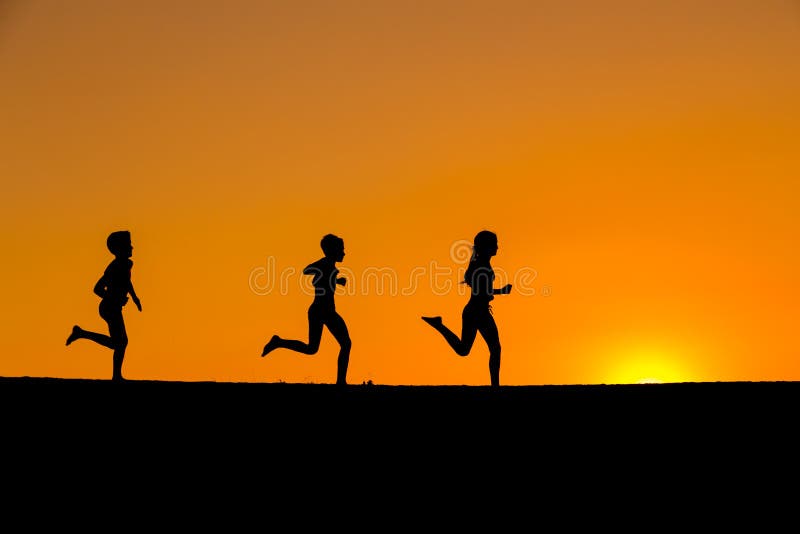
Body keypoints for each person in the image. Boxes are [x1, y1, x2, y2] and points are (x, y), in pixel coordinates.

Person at [422, 230, 511, 387]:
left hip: (476, 311)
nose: (498, 247)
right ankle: (495, 387)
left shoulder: (482, 263)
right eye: (494, 244)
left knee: (468, 350)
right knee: (493, 349)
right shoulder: (481, 265)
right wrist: (501, 291)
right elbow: (481, 291)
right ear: (486, 247)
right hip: (477, 312)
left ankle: (439, 325)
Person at [261, 234, 351, 385]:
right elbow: (307, 270)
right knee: (345, 344)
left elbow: (322, 279)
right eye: (341, 249)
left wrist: (335, 280)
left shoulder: (329, 266)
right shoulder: (325, 263)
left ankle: (279, 342)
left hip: (323, 311)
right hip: (322, 311)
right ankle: (341, 382)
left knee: (312, 348)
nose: (344, 252)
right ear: (332, 250)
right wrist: (325, 271)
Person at [66, 230, 142, 381]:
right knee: (118, 343)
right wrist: (115, 299)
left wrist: (134, 297)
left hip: (114, 307)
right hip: (108, 308)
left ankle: (116, 375)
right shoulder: (113, 267)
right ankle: (82, 334)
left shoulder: (126, 264)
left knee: (122, 342)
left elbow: (127, 282)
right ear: (119, 249)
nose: (132, 248)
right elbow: (97, 288)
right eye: (128, 245)